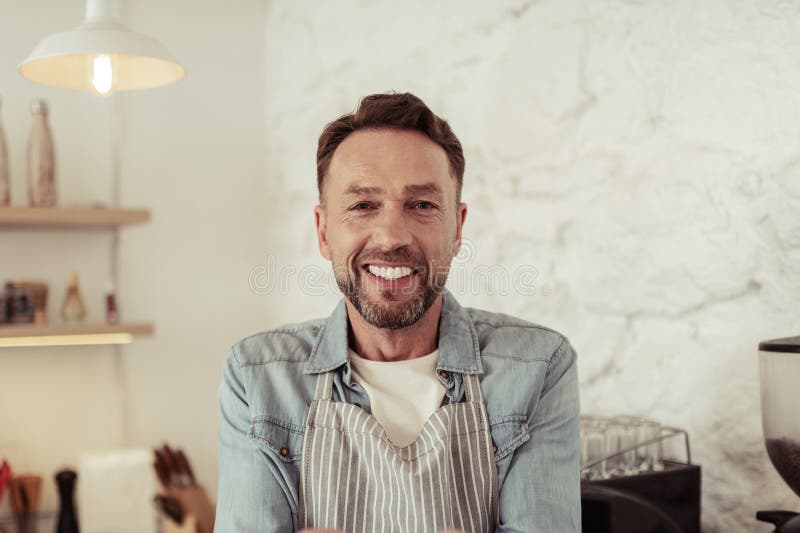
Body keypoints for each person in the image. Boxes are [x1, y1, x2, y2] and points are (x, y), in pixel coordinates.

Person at [214, 92, 581, 533]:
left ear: (458, 227)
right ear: (324, 231)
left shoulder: (539, 366)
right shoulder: (257, 378)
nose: (391, 237)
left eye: (422, 205)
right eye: (363, 205)